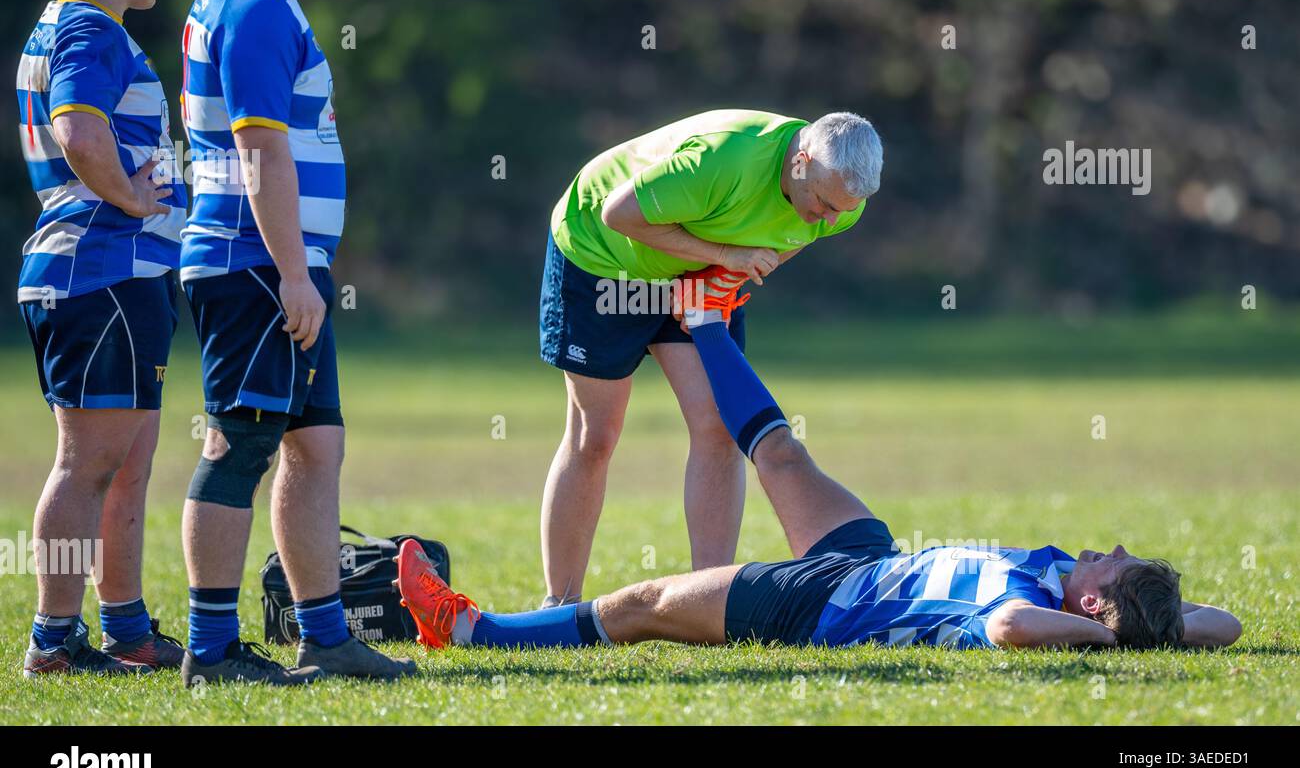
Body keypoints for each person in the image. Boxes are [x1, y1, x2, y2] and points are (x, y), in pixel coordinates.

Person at [401, 287, 1242, 652]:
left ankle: (474, 630)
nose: (1106, 546)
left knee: (644, 606)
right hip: (875, 562)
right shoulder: (1071, 586)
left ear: (1093, 605)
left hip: (823, 605)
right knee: (780, 450)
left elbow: (1007, 631)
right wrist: (1138, 623)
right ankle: (703, 319)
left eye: (1112, 562)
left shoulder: (1031, 612)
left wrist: (1098, 637)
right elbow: (1222, 622)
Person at [177, 0, 413, 686]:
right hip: (256, 268)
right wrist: (291, 274)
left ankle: (325, 635)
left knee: (315, 448)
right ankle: (209, 651)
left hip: (280, 268)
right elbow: (261, 154)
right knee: (238, 445)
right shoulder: (253, 9)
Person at [538, 108, 883, 607]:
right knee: (596, 434)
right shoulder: (724, 159)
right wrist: (726, 256)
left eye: (842, 210)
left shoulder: (842, 199)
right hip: (603, 258)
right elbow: (619, 214)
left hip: (698, 267)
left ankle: (708, 599)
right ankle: (559, 605)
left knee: (719, 427)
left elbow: (797, 236)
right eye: (825, 203)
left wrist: (724, 279)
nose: (832, 218)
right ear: (802, 162)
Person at [18, 0, 187, 678]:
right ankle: (53, 639)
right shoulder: (91, 26)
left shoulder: (68, 23)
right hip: (100, 274)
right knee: (86, 463)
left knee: (125, 461)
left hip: (120, 276)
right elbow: (77, 129)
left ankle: (126, 627)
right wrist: (130, 196)